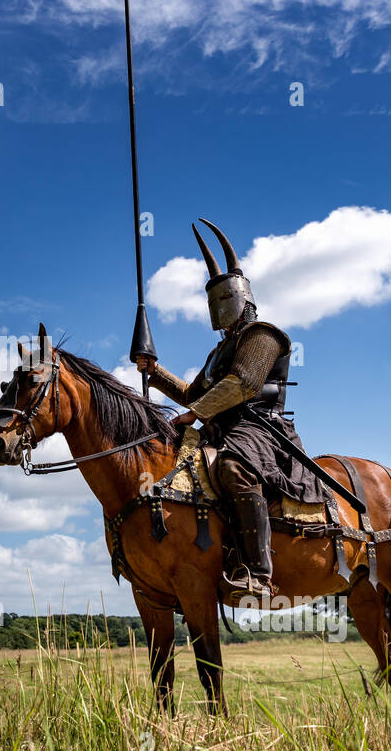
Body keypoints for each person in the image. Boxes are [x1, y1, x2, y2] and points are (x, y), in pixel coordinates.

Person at [136, 219, 325, 603]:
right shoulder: (218, 351)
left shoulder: (263, 334)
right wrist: (154, 373)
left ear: (242, 298)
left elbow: (244, 384)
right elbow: (192, 393)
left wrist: (195, 413)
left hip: (260, 429)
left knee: (232, 467)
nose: (217, 308)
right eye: (212, 301)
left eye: (224, 298)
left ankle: (258, 571)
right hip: (222, 428)